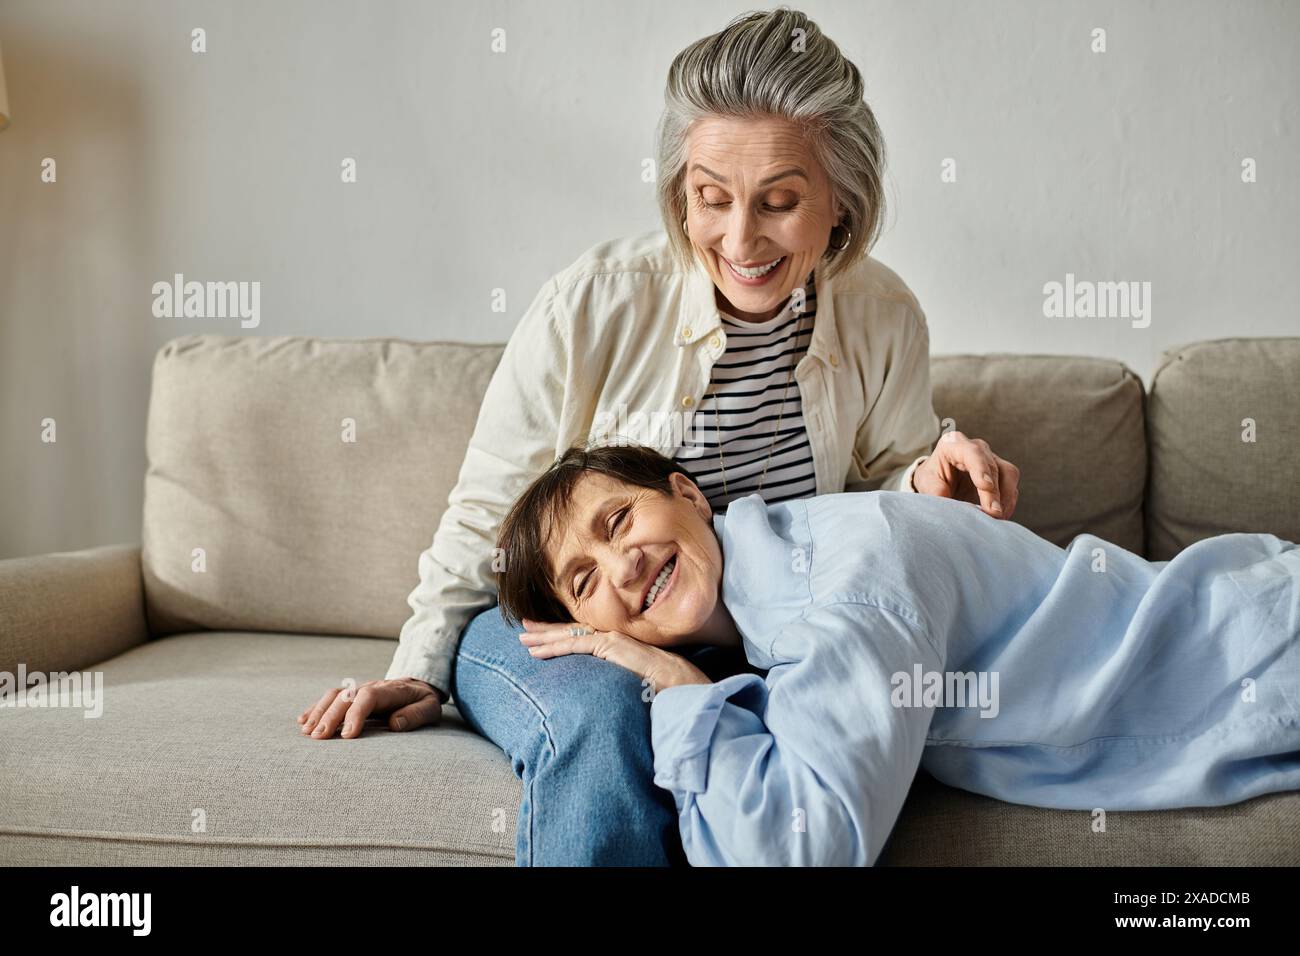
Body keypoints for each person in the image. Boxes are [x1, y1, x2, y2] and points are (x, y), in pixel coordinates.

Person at [296, 8, 1022, 866]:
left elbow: (879, 502)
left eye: (780, 202)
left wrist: (925, 485)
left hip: (742, 637)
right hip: (554, 625)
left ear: (841, 204)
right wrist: (418, 667)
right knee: (607, 713)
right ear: (682, 193)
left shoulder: (884, 314)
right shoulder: (592, 302)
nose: (741, 239)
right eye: (712, 199)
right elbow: (487, 517)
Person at [497, 443, 1300, 866]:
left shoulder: (837, 594)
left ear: (690, 494)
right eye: (585, 580)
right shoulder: (774, 577)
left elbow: (798, 851)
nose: (624, 565)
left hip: (1264, 651)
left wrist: (676, 690)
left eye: (618, 524)